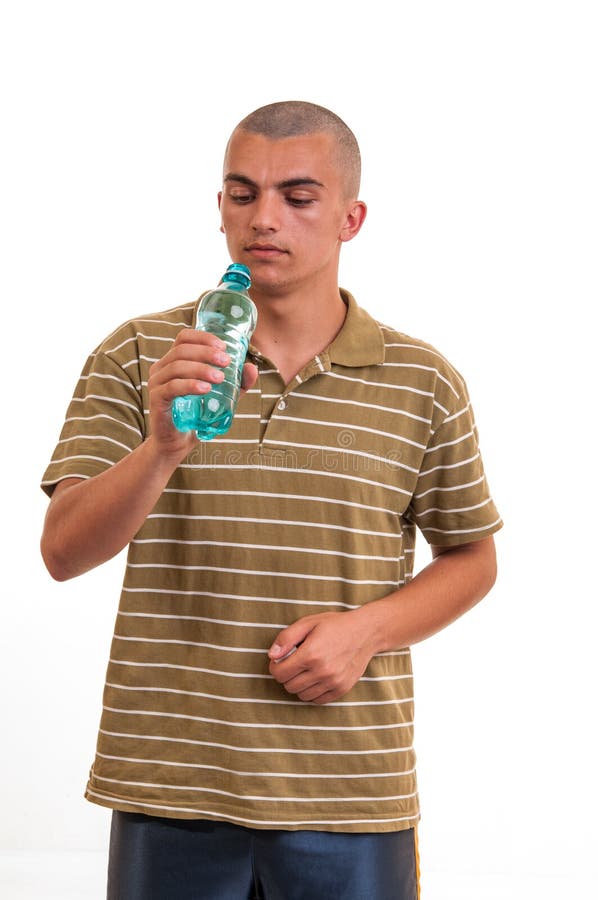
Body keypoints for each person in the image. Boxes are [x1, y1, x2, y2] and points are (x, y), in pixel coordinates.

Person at [41, 100, 502, 900]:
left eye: (298, 196)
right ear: (220, 206)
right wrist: (161, 448)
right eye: (242, 193)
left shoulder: (422, 380)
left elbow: (473, 556)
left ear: (351, 217)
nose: (264, 218)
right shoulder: (143, 354)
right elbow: (62, 551)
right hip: (170, 783)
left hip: (350, 792)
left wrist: (367, 631)